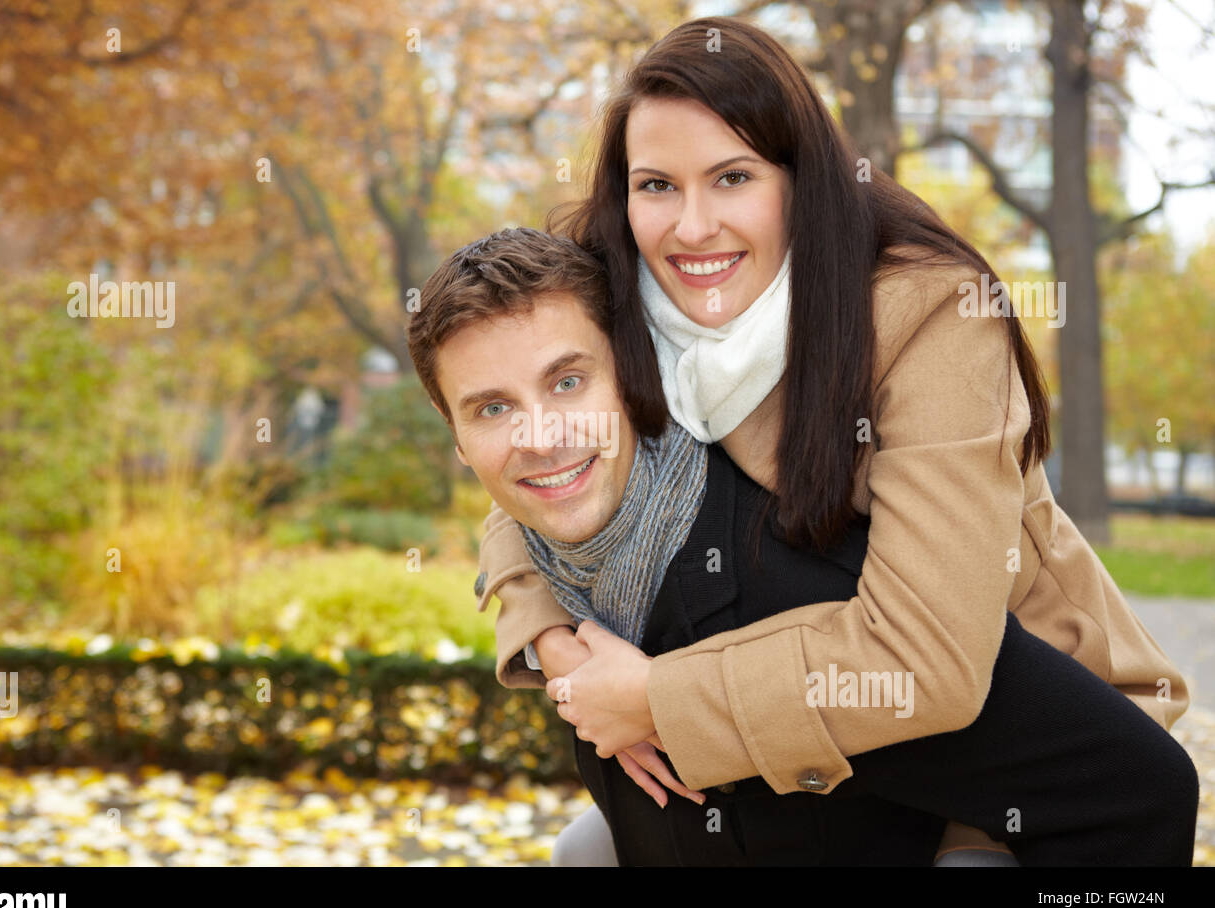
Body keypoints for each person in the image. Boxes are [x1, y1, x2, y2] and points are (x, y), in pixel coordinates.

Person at [471, 16, 1192, 863]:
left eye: (733, 177)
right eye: (657, 185)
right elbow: (530, 456)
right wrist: (565, 653)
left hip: (1008, 732)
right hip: (820, 719)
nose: (691, 228)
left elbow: (928, 661)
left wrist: (660, 699)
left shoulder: (926, 314)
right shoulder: (617, 283)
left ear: (799, 181)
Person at [406, 226, 1198, 865]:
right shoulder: (574, 572)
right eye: (491, 409)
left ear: (635, 373)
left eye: (569, 382)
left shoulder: (806, 578)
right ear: (457, 442)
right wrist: (543, 629)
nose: (541, 437)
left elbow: (1137, 791)